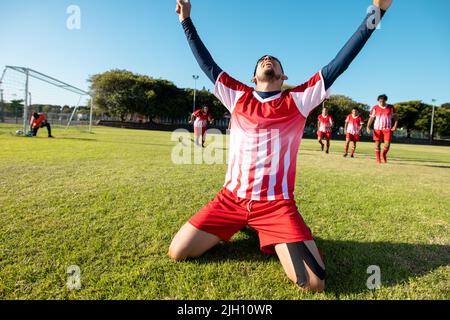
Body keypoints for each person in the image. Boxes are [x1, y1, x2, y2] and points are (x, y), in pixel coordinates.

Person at [169, 0, 393, 292]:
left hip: (277, 206)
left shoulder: (298, 99)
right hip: (230, 200)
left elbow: (341, 61)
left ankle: (271, 231)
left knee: (315, 283)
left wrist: (376, 12)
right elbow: (206, 63)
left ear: (283, 76)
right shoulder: (237, 96)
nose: (267, 59)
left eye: (273, 59)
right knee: (178, 252)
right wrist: (186, 20)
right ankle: (247, 226)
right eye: (262, 59)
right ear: (253, 77)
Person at [366, 94, 398, 163]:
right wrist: (368, 126)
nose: (381, 103)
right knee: (377, 144)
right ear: (378, 101)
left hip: (387, 128)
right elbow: (371, 118)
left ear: (385, 100)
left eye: (383, 101)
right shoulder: (375, 107)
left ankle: (383, 155)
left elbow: (395, 118)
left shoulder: (391, 107)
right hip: (377, 128)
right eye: (380, 101)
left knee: (387, 144)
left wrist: (395, 126)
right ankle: (378, 159)